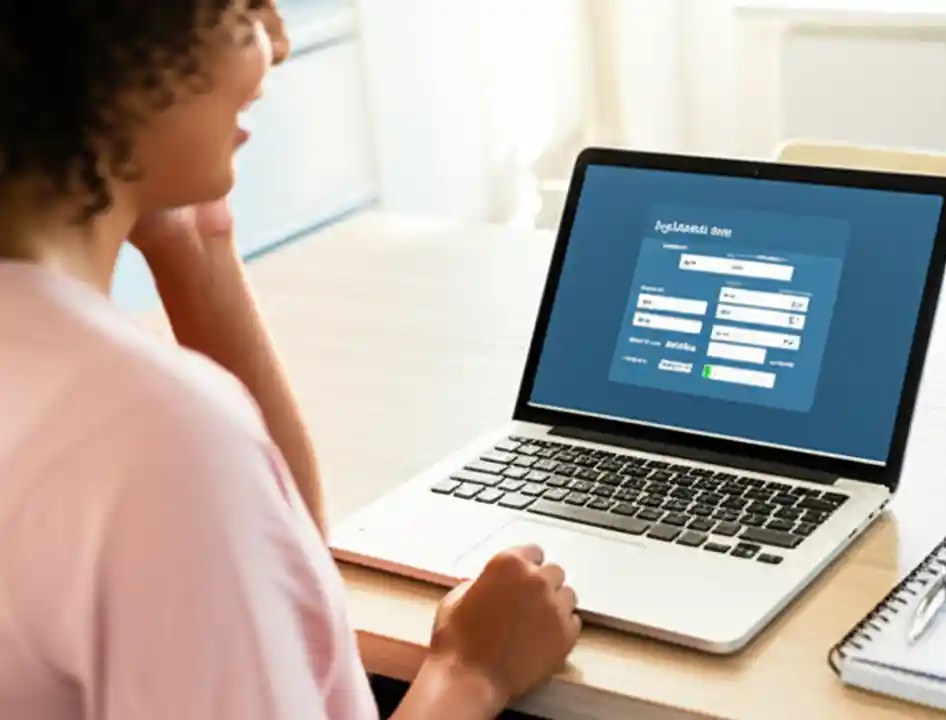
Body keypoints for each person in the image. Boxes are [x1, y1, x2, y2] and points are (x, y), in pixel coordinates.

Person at [0, 2, 580, 718]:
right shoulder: (151, 434)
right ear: (112, 51)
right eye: (245, 12)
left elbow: (283, 573)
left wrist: (196, 243)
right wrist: (469, 674)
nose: (277, 44)